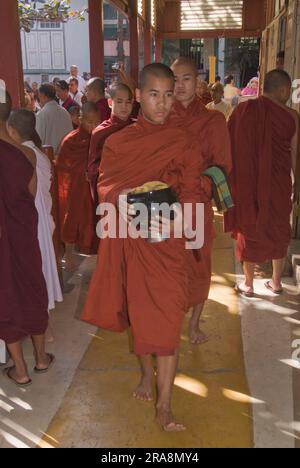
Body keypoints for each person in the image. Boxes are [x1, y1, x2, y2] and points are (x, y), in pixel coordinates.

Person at [82, 63, 202, 432]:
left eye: (169, 95)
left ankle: (165, 404)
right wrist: (128, 198)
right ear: (138, 97)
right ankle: (145, 374)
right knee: (141, 317)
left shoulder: (184, 140)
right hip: (135, 239)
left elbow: (195, 190)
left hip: (170, 243)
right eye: (154, 94)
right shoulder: (118, 142)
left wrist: (184, 221)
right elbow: (104, 188)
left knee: (167, 323)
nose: (163, 103)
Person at [171, 56, 232, 345]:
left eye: (186, 78)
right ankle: (168, 318)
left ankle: (194, 323)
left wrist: (198, 187)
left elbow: (222, 165)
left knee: (199, 263)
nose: (180, 85)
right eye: (175, 79)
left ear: (197, 83)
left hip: (196, 204)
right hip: (165, 205)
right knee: (167, 264)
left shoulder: (212, 120)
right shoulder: (160, 117)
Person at [225, 69, 299, 297]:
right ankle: (276, 282)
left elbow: (229, 149)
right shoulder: (292, 117)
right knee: (278, 228)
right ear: (284, 90)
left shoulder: (242, 111)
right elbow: (296, 156)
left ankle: (248, 284)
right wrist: (297, 185)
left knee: (249, 228)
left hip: (248, 187)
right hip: (278, 185)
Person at [0, 91, 53, 386]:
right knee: (32, 288)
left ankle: (20, 369)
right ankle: (42, 358)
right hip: (23, 235)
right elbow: (30, 196)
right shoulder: (25, 154)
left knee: (5, 297)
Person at [7, 108, 63, 313]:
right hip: (43, 220)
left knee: (34, 273)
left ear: (11, 130)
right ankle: (42, 319)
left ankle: (38, 318)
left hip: (33, 222)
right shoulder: (40, 154)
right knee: (41, 271)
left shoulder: (23, 155)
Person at [56, 103, 101, 270]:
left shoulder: (102, 138)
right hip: (76, 188)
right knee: (72, 219)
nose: (94, 126)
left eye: (97, 122)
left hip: (94, 189)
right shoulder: (71, 141)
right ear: (80, 119)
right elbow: (62, 167)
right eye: (90, 122)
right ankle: (68, 253)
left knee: (95, 221)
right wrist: (81, 173)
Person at [88, 83, 135, 204]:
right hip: (112, 190)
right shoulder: (100, 132)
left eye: (128, 102)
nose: (124, 106)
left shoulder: (138, 128)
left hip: (136, 187)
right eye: (119, 102)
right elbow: (93, 169)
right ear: (110, 102)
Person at [36, 83, 73, 154]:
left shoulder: (41, 114)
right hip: (65, 155)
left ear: (43, 95)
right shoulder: (65, 112)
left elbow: (39, 140)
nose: (39, 100)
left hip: (49, 157)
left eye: (39, 97)